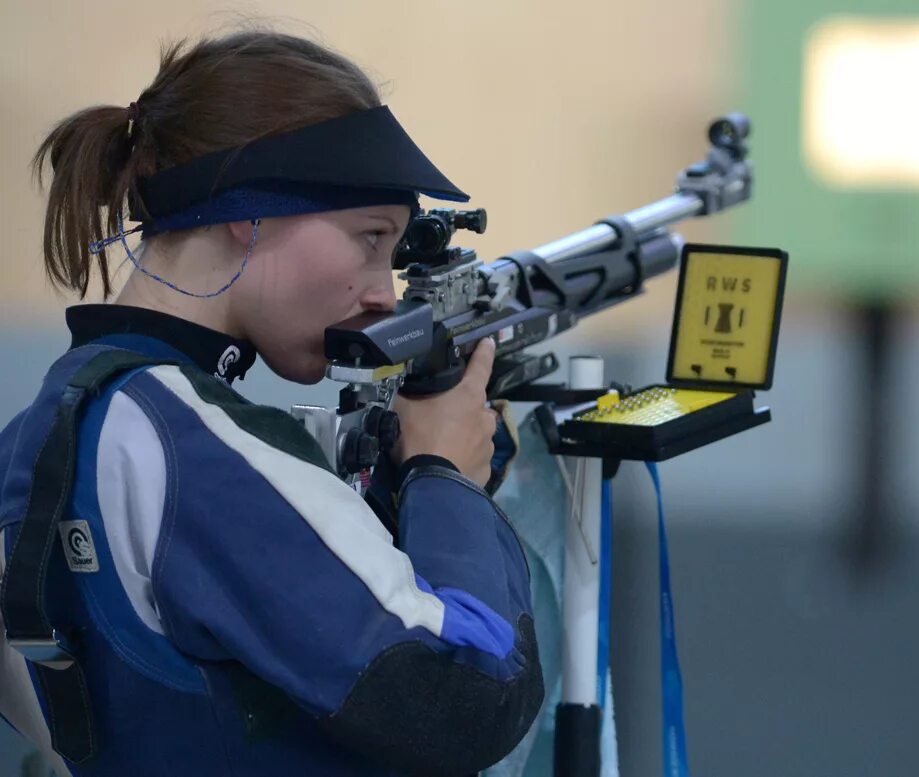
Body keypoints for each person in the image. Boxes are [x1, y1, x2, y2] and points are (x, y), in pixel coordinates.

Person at [0, 30, 543, 777]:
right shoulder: (194, 445)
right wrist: (445, 474)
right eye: (370, 238)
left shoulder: (52, 425)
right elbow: (464, 691)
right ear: (244, 212)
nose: (386, 290)